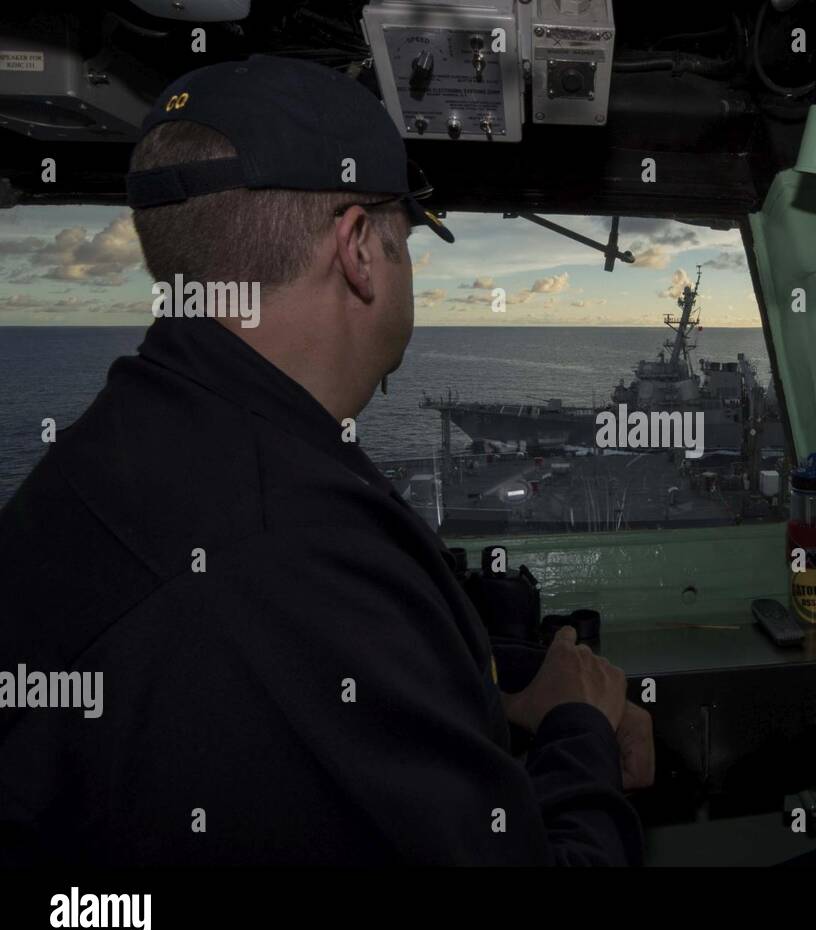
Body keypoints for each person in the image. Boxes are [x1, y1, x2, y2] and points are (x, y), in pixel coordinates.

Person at [0, 55, 651, 866]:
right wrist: (577, 729)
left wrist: (477, 690)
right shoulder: (285, 552)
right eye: (406, 237)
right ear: (359, 251)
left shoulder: (126, 448)